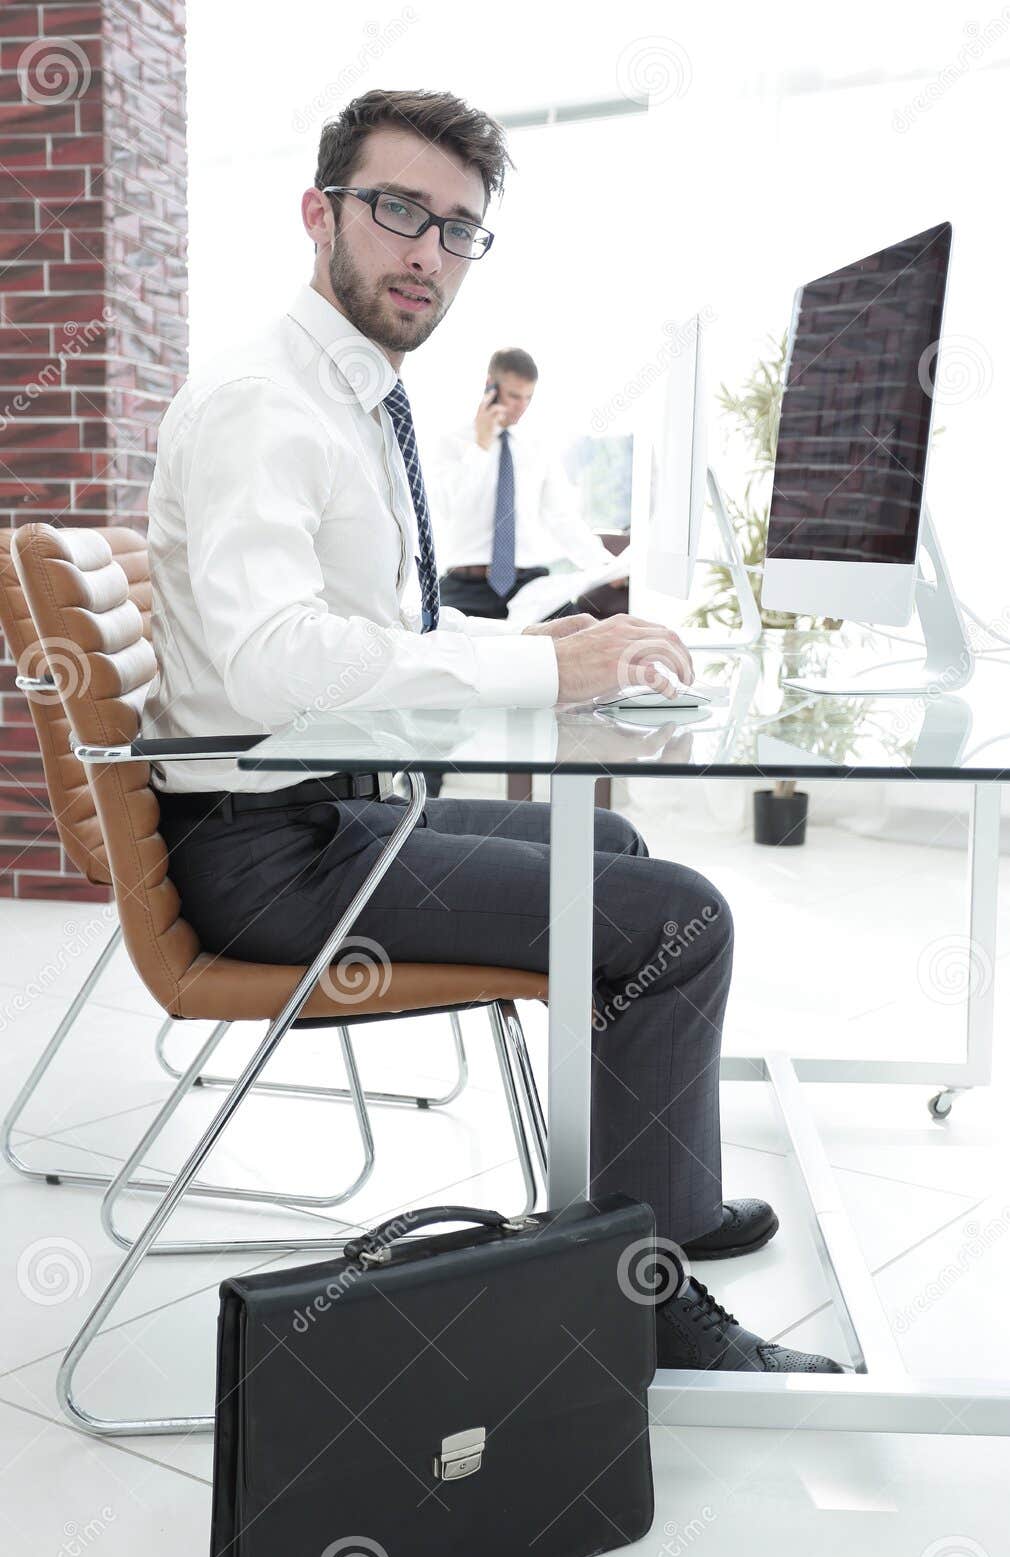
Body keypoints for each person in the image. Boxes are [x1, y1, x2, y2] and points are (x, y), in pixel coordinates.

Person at [142, 87, 841, 1376]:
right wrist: (534, 667)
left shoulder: (350, 396)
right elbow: (264, 664)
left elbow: (367, 637)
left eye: (457, 229)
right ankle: (638, 1303)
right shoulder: (264, 403)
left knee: (615, 844)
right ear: (321, 214)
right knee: (680, 918)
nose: (426, 252)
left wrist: (549, 657)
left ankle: (655, 1214)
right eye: (397, 212)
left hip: (320, 808)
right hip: (267, 851)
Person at [431, 348, 625, 623]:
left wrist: (607, 567)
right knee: (443, 647)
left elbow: (561, 518)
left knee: (580, 632)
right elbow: (450, 506)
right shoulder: (452, 443)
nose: (521, 407)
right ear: (491, 386)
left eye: (528, 398)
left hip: (530, 584)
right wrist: (481, 446)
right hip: (466, 587)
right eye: (513, 396)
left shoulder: (537, 447)